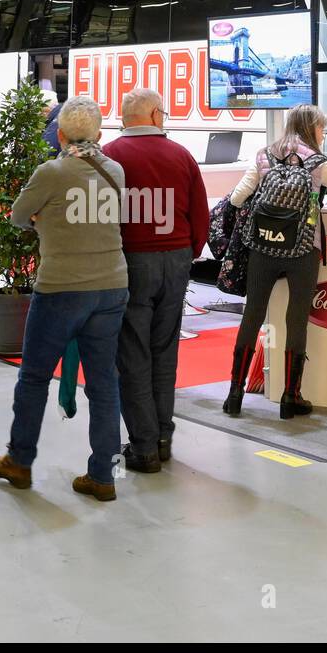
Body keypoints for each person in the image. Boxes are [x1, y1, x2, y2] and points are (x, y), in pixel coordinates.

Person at [0, 97, 129, 503]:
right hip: (112, 285)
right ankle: (102, 475)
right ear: (99, 134)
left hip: (62, 287)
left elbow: (16, 215)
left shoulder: (52, 171)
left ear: (60, 134)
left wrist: (43, 218)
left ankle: (19, 461)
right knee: (103, 383)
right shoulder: (114, 169)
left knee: (34, 377)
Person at [224, 104, 327, 420]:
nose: (323, 135)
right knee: (296, 319)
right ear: (312, 128)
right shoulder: (317, 162)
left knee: (253, 314)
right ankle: (291, 396)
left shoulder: (264, 155)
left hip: (263, 247)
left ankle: (234, 394)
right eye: (322, 129)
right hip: (303, 250)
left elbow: (236, 197)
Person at [102, 87, 209, 472]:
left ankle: (143, 446)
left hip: (131, 260)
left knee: (132, 352)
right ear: (153, 114)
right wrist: (188, 252)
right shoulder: (181, 154)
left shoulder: (110, 155)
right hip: (176, 259)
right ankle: (163, 436)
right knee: (165, 351)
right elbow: (201, 213)